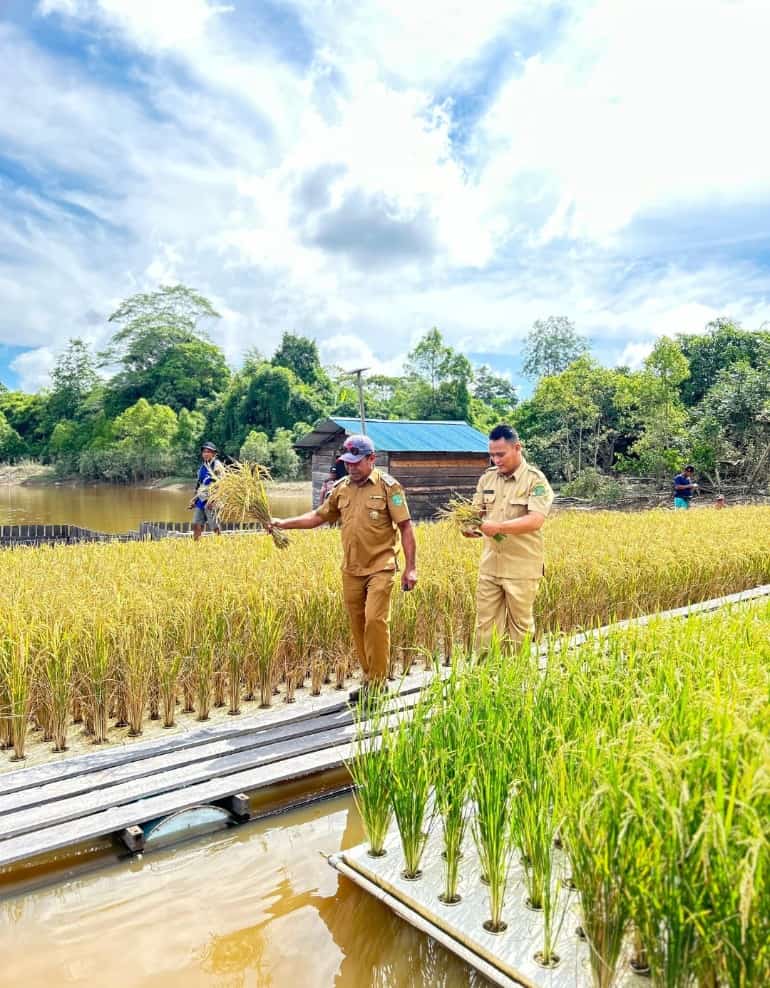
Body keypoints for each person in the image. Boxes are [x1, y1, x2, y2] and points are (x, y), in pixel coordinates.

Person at [272, 434, 417, 701]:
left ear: (371, 459)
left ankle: (377, 683)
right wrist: (284, 522)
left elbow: (406, 527)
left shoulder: (389, 487)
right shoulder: (341, 489)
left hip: (381, 567)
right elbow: (317, 517)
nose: (351, 467)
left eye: (356, 462)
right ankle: (369, 679)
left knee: (375, 620)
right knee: (357, 624)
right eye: (347, 462)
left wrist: (411, 568)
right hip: (351, 569)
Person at [464, 424, 554, 652]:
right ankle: (484, 678)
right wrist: (468, 526)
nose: (496, 460)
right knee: (485, 628)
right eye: (492, 455)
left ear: (517, 448)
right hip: (490, 567)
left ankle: (518, 680)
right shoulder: (487, 479)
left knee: (520, 629)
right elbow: (476, 513)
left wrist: (499, 527)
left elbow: (535, 520)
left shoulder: (536, 481)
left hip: (521, 569)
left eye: (501, 454)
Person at [189, 441, 224, 541]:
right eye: (204, 452)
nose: (205, 454)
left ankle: (220, 543)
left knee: (214, 526)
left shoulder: (217, 466)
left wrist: (213, 500)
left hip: (212, 500)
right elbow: (199, 485)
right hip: (201, 499)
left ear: (213, 454)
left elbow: (221, 484)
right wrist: (194, 500)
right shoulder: (202, 467)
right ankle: (196, 545)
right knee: (196, 523)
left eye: (208, 452)